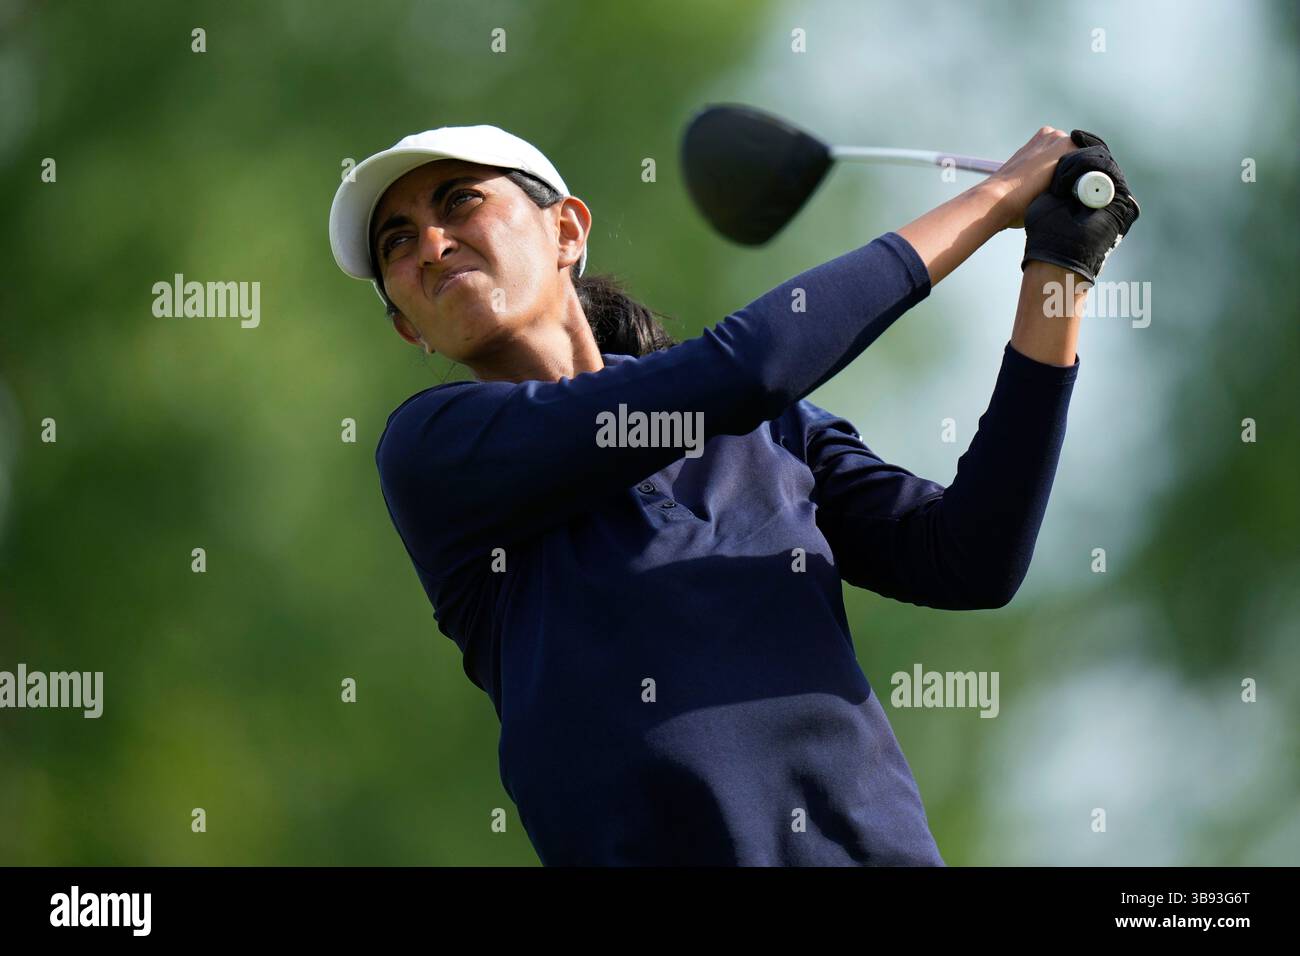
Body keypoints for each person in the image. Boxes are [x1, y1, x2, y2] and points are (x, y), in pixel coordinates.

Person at [327, 123, 1139, 865]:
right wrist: (995, 200)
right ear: (407, 326)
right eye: (399, 242)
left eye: (459, 201)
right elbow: (747, 367)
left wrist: (1057, 270)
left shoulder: (767, 430)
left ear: (567, 230)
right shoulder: (433, 452)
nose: (431, 244)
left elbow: (970, 560)